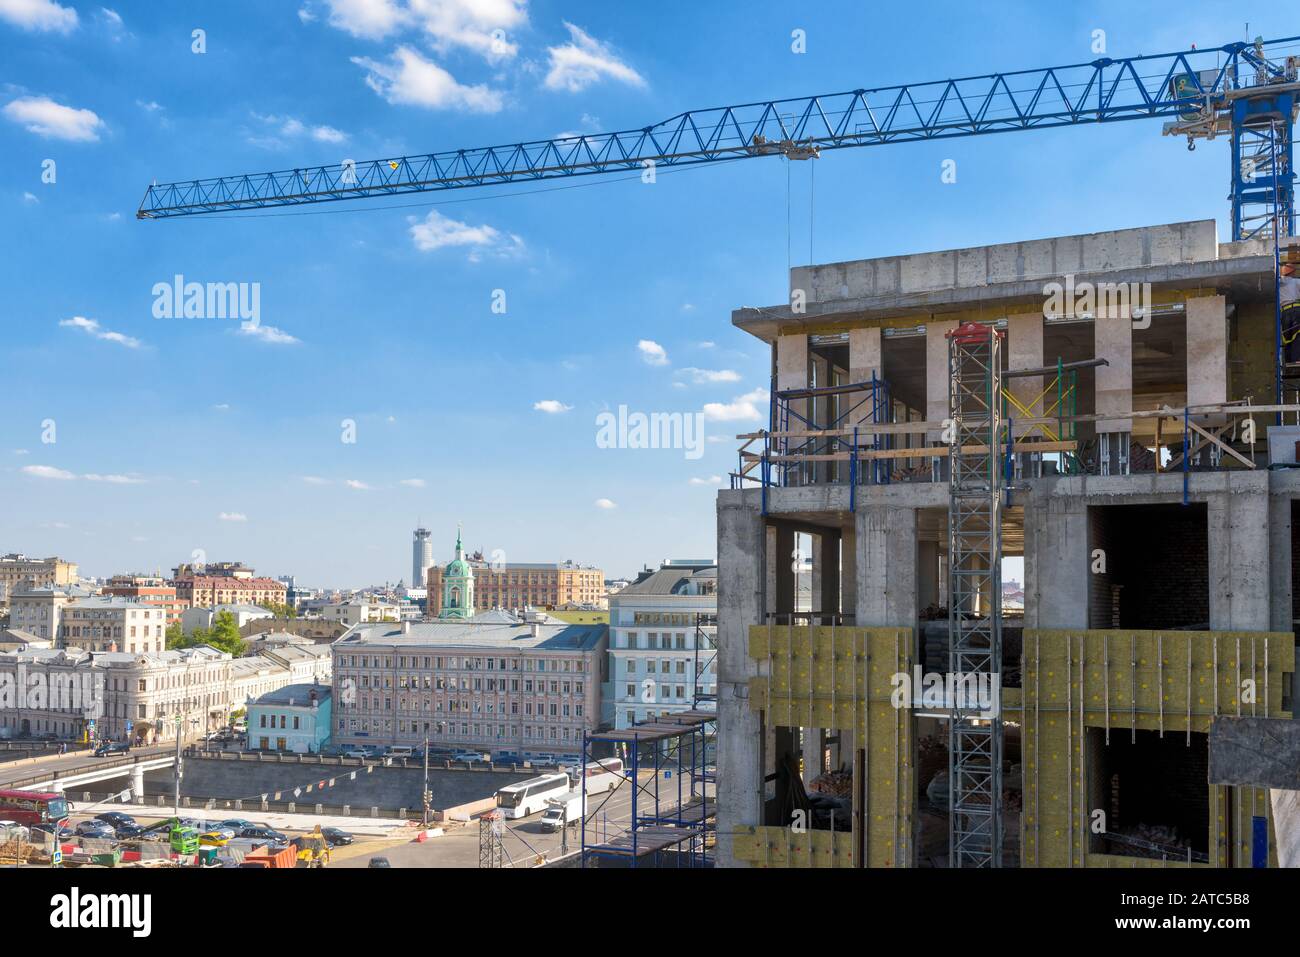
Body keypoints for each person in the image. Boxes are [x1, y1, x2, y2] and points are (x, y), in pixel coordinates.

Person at [1283, 261, 1300, 364]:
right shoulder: (1296, 282)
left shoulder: (1279, 283)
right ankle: (1297, 359)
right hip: (1295, 311)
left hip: (1284, 313)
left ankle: (1289, 361)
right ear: (1292, 272)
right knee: (1298, 335)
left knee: (1287, 338)